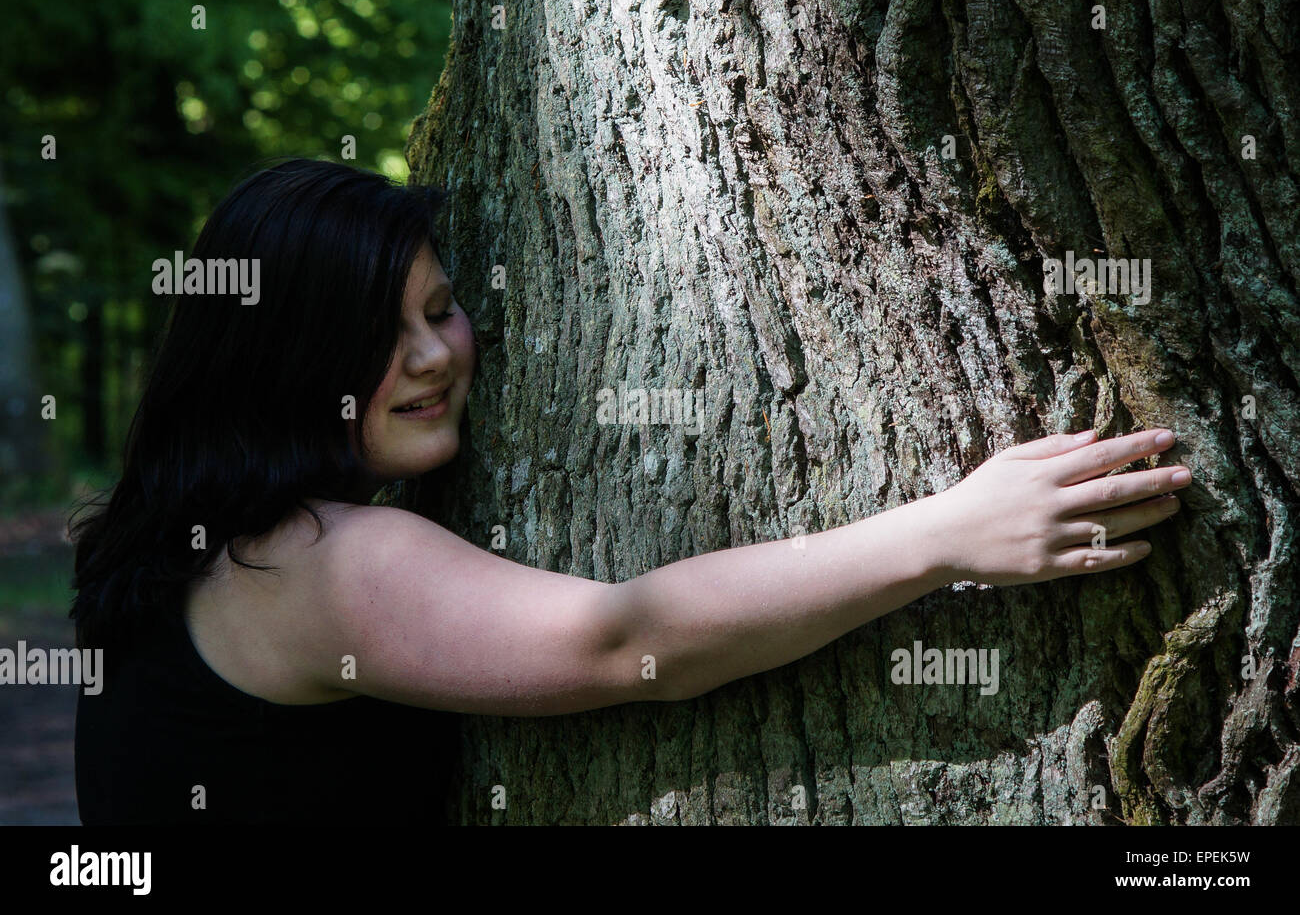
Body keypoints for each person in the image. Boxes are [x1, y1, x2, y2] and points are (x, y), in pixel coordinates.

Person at [70, 158, 1190, 824]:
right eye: (378, 329)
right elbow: (623, 643)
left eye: (440, 306)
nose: (432, 354)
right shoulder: (313, 560)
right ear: (284, 357)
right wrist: (944, 534)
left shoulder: (183, 550)